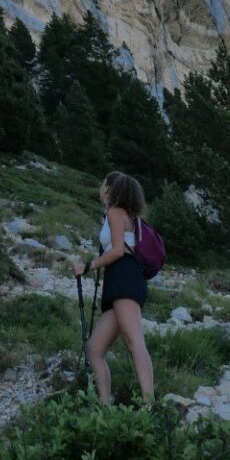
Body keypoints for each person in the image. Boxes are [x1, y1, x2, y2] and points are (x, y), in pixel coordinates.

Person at [74, 170, 154, 403]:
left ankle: (150, 404)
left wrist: (88, 266)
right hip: (122, 280)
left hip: (124, 277)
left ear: (109, 188)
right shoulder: (126, 215)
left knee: (134, 340)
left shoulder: (116, 213)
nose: (100, 188)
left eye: (102, 183)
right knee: (95, 348)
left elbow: (118, 250)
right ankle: (105, 405)